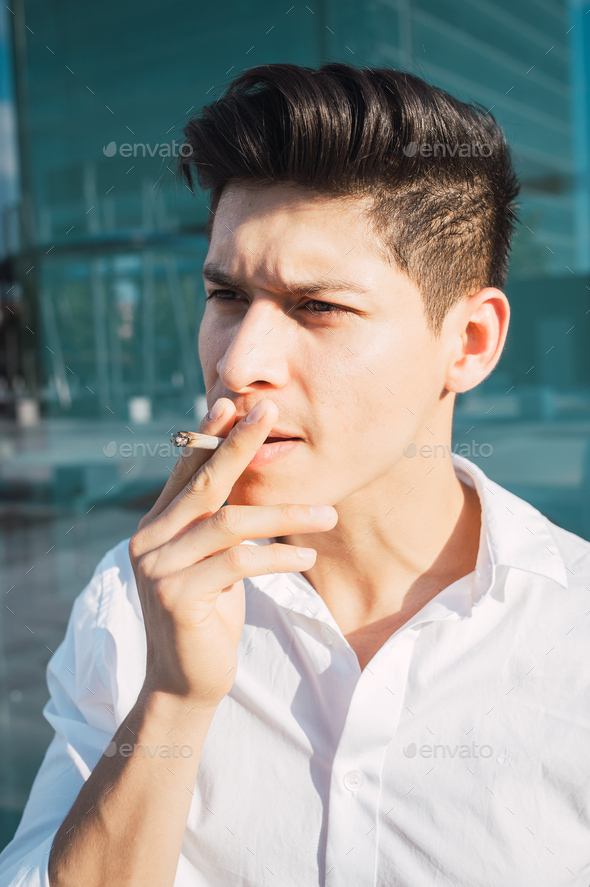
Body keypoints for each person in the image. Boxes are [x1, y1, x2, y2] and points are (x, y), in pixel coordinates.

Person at [1, 61, 589, 887]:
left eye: (318, 307)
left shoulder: (574, 640)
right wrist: (172, 696)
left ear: (469, 343)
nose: (240, 363)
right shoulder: (129, 606)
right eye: (227, 296)